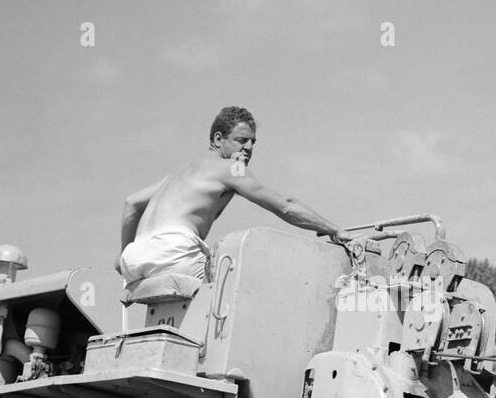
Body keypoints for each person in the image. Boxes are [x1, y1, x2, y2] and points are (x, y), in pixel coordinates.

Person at [117, 106, 345, 291]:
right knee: (242, 286)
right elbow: (285, 206)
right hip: (173, 253)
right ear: (218, 139)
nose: (248, 147)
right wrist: (333, 229)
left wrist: (124, 256)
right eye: (241, 140)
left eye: (253, 142)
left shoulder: (180, 173)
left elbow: (132, 203)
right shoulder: (231, 169)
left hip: (134, 258)